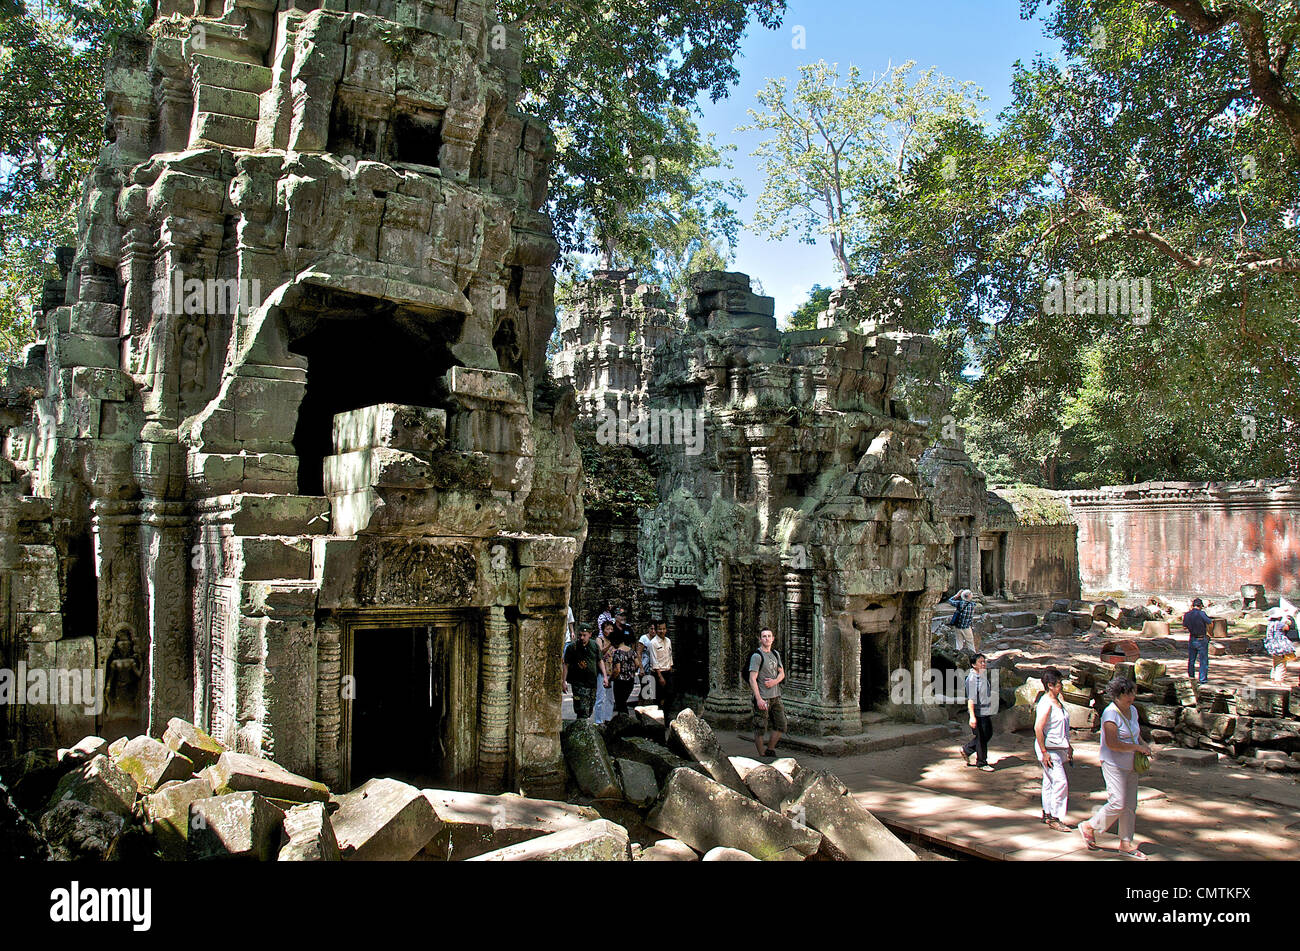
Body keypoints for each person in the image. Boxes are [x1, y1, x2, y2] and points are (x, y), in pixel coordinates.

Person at [1079, 676, 1152, 859]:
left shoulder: (1133, 710)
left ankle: (1126, 843)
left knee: (1130, 805)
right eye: (1127, 694)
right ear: (1117, 696)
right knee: (1118, 802)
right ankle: (1090, 825)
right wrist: (1137, 747)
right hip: (1114, 764)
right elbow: (1113, 743)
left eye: (1132, 693)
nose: (1131, 697)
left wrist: (1143, 745)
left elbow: (1136, 734)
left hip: (1132, 764)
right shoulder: (1110, 714)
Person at [1034, 666, 1074, 833]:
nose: (1061, 686)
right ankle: (1055, 817)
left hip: (1059, 747)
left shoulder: (1058, 701)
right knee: (1060, 782)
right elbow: (1038, 728)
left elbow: (1063, 727)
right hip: (1049, 749)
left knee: (1049, 781)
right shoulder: (1046, 703)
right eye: (1058, 684)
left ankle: (1047, 812)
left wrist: (1069, 746)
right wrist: (1044, 752)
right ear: (1049, 685)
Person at [747, 628, 786, 758]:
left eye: (769, 636)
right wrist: (758, 699)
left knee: (781, 725)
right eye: (764, 636)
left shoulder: (775, 654)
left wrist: (774, 682)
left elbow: (782, 673)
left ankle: (770, 749)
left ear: (773, 638)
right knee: (760, 728)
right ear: (760, 639)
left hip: (776, 696)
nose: (767, 638)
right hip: (763, 697)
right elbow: (752, 679)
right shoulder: (757, 656)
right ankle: (762, 754)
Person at [562, 623, 608, 720]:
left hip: (591, 681)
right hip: (578, 682)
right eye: (580, 635)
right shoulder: (572, 647)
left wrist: (604, 676)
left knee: (590, 705)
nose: (582, 637)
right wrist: (564, 681)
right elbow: (566, 664)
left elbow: (600, 660)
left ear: (590, 634)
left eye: (584, 635)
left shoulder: (594, 646)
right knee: (581, 709)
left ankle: (584, 724)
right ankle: (581, 726)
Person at [961, 653, 995, 771]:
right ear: (973, 664)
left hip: (985, 710)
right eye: (981, 662)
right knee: (981, 737)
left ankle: (967, 749)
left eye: (984, 661)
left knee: (988, 733)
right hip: (978, 712)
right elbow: (971, 699)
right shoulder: (972, 679)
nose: (984, 664)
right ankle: (982, 762)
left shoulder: (981, 675)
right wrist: (972, 716)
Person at [647, 619, 675, 717]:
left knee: (670, 695)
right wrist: (660, 676)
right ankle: (658, 719)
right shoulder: (653, 643)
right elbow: (654, 660)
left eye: (664, 629)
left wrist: (670, 668)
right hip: (658, 673)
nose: (662, 631)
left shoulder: (668, 641)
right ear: (656, 630)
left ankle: (666, 717)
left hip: (667, 671)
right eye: (660, 629)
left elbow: (669, 655)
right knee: (658, 697)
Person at [1183, 598, 1213, 684]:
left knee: (1191, 660)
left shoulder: (1187, 614)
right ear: (1200, 606)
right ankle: (1202, 679)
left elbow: (1184, 627)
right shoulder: (1201, 614)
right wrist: (1209, 634)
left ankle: (1191, 677)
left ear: (1193, 606)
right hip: (1201, 639)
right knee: (1203, 660)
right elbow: (1210, 623)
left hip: (1192, 638)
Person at [609, 627, 639, 714]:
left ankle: (623, 722)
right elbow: (637, 663)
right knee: (623, 702)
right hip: (630, 681)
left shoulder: (617, 653)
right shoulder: (631, 651)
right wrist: (630, 671)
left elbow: (617, 670)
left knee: (620, 704)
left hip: (620, 682)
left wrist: (610, 679)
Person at [594, 620, 617, 724]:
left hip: (611, 672)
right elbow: (600, 653)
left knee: (610, 698)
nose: (610, 631)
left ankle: (607, 719)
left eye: (612, 629)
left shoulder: (614, 642)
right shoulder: (600, 640)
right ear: (603, 630)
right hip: (601, 672)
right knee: (600, 698)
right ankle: (598, 721)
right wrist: (609, 645)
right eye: (608, 629)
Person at [1264, 611, 1298, 682]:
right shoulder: (1279, 624)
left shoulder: (1270, 624)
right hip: (1280, 646)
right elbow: (1289, 628)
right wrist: (1290, 621)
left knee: (1276, 662)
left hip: (1272, 645)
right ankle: (1279, 680)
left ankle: (1273, 678)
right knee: (1281, 664)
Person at [637, 627, 656, 705]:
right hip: (645, 665)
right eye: (651, 628)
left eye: (654, 629)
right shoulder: (643, 638)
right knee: (644, 688)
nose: (653, 631)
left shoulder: (658, 638)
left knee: (652, 689)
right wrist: (641, 668)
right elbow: (639, 653)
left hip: (654, 666)